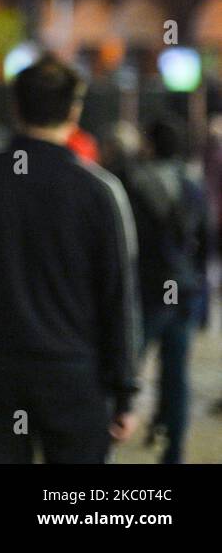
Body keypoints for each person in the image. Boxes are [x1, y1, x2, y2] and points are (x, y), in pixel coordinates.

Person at [0, 55, 140, 463]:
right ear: (75, 110)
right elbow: (119, 294)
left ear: (16, 107)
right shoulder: (99, 191)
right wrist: (124, 390)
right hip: (75, 376)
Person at [114, 115, 208, 463]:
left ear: (150, 144)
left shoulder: (132, 183)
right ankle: (174, 450)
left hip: (146, 293)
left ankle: (115, 429)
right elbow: (205, 244)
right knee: (177, 375)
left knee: (129, 366)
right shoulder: (192, 184)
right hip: (183, 291)